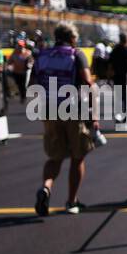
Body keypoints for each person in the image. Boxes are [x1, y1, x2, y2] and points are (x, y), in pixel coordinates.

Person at [33, 22, 95, 216]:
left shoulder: (42, 55)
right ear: (72, 38)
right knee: (78, 156)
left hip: (49, 109)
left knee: (55, 156)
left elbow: (32, 84)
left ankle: (46, 187)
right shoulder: (76, 54)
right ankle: (71, 201)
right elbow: (86, 81)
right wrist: (92, 112)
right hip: (72, 108)